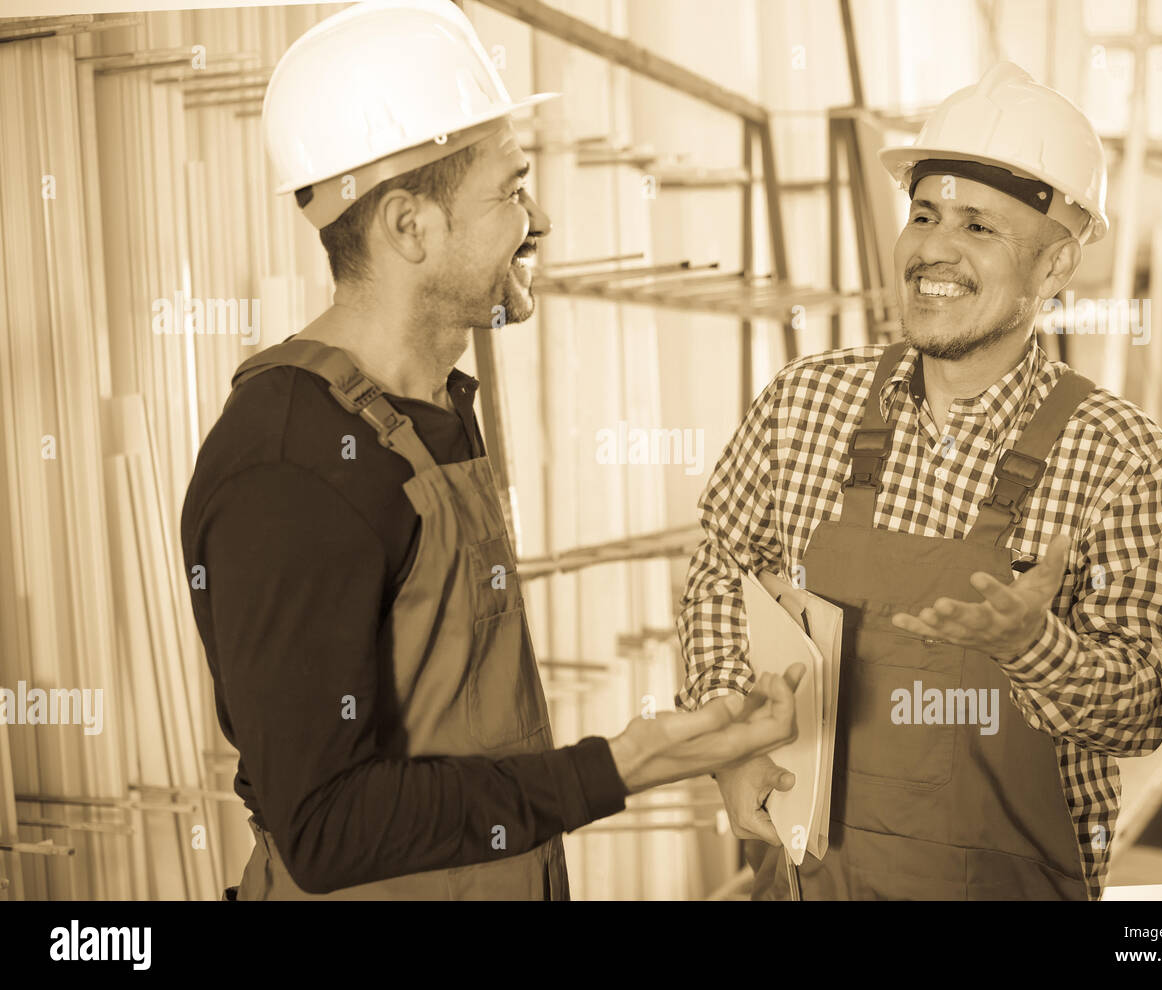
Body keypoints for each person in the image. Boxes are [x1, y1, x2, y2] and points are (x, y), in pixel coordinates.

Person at [181, 0, 802, 901]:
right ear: (408, 228)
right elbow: (321, 828)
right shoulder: (290, 465)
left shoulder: (430, 412)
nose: (538, 218)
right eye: (511, 189)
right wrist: (618, 767)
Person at [676, 62, 1162, 900]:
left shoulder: (1121, 456)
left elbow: (1142, 713)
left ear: (1055, 268)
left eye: (979, 226)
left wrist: (1033, 645)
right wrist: (732, 746)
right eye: (924, 214)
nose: (934, 250)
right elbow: (720, 578)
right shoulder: (805, 404)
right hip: (812, 882)